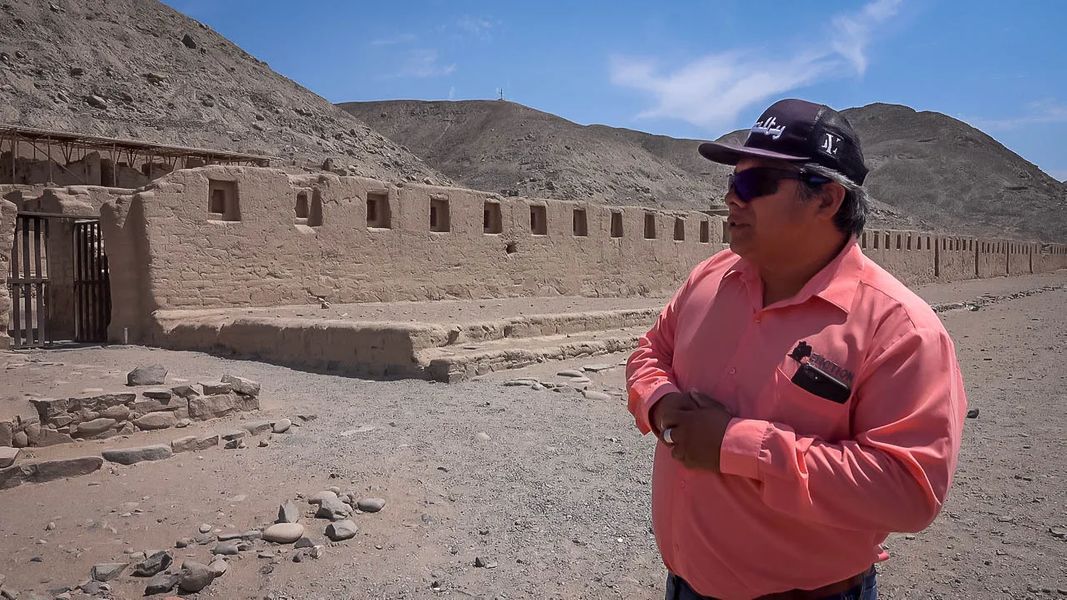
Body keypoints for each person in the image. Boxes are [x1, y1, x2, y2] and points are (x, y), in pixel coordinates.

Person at [626, 98, 967, 600]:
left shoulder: (901, 330)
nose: (732, 199)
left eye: (753, 184)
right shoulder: (710, 278)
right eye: (731, 182)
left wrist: (737, 447)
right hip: (685, 585)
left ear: (826, 199)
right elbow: (651, 350)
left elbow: (909, 489)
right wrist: (660, 403)